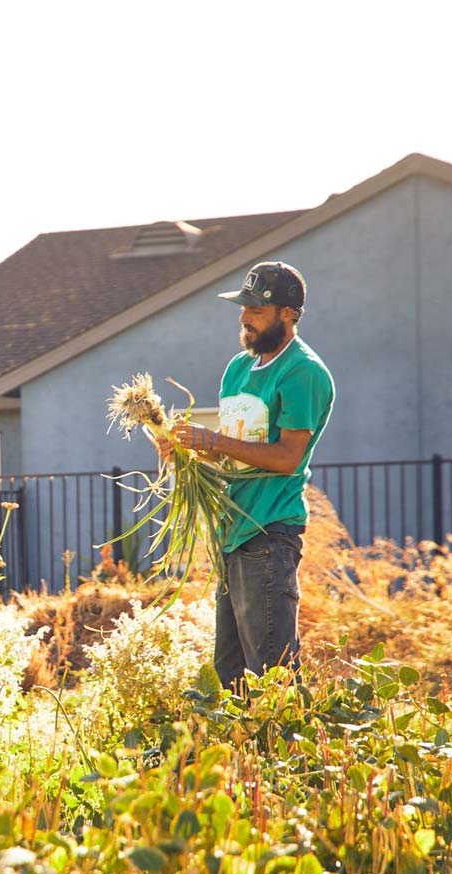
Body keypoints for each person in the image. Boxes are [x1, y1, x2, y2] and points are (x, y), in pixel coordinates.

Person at [160, 261, 335, 688]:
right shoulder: (238, 368)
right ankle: (242, 756)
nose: (244, 317)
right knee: (229, 678)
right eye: (244, 308)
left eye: (256, 309)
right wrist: (187, 454)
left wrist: (212, 441)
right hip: (233, 534)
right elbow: (237, 454)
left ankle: (293, 754)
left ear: (288, 314)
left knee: (272, 677)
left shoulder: (303, 372)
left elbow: (287, 457)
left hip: (270, 533)